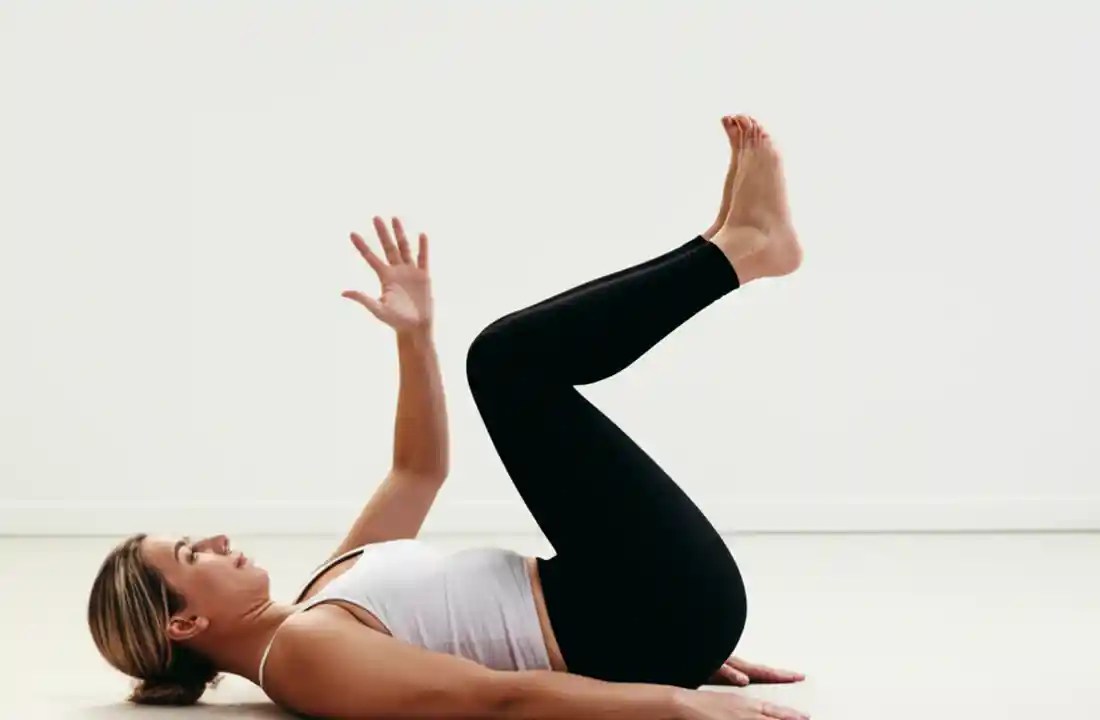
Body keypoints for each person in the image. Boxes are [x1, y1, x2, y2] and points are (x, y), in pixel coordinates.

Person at [87, 114, 809, 720]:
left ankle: (731, 245)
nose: (215, 539)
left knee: (503, 363)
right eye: (192, 555)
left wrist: (414, 336)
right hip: (638, 616)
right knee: (507, 364)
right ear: (184, 624)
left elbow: (418, 470)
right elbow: (494, 698)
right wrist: (675, 703)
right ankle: (738, 249)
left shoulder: (319, 597)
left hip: (639, 610)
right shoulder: (304, 659)